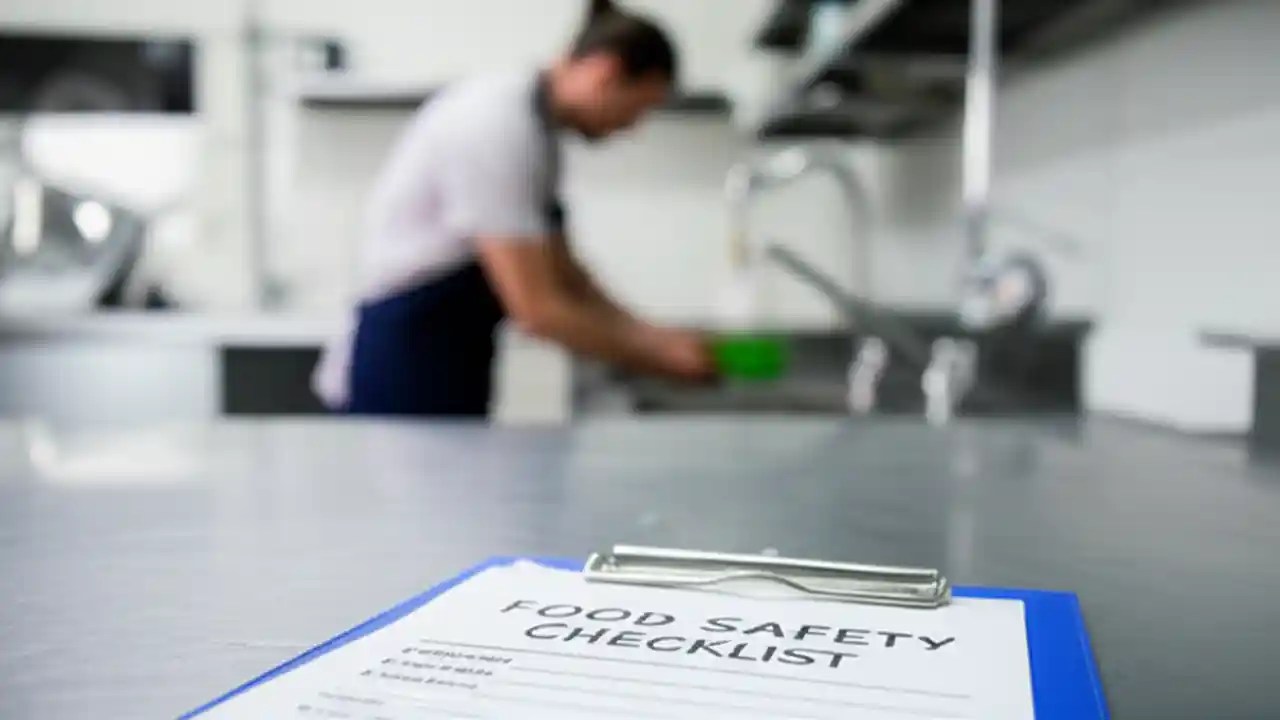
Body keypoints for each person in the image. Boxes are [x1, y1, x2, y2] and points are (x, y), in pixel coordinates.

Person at [314, 0, 717, 417]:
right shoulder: (496, 124)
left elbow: (568, 275)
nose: (632, 127)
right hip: (405, 355)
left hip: (452, 351)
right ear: (604, 74)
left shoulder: (537, 132)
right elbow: (538, 309)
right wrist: (655, 357)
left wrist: (653, 336)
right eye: (638, 108)